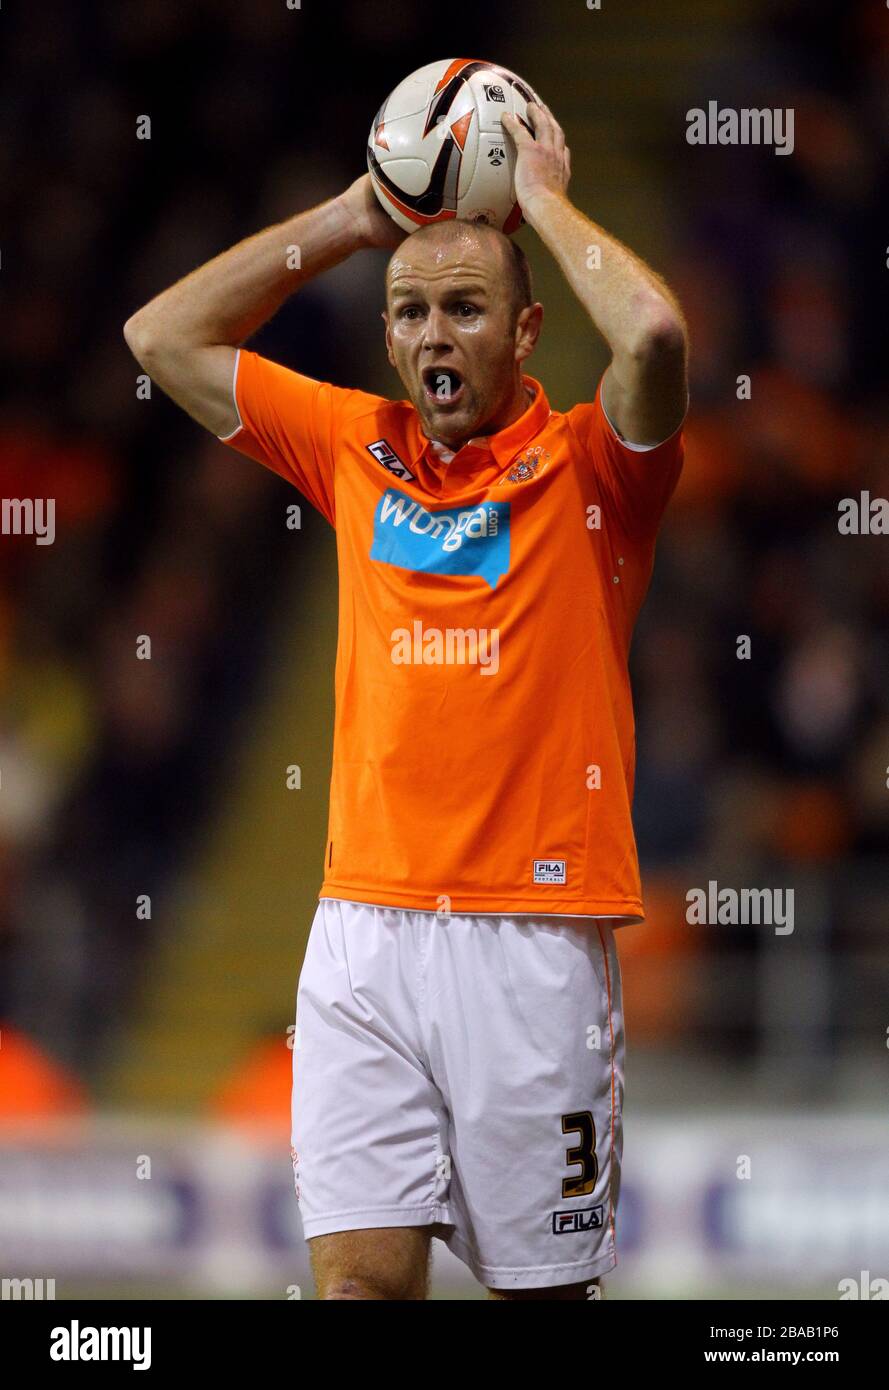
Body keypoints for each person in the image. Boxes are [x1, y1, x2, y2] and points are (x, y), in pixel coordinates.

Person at [124, 97, 688, 1300]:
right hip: (362, 932)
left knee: (542, 1295)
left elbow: (651, 336)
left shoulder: (593, 470)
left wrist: (537, 199)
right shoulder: (352, 446)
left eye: (467, 307)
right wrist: (347, 218)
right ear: (386, 339)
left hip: (531, 944)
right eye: (411, 311)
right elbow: (160, 337)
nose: (436, 332)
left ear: (528, 330)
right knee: (357, 1287)